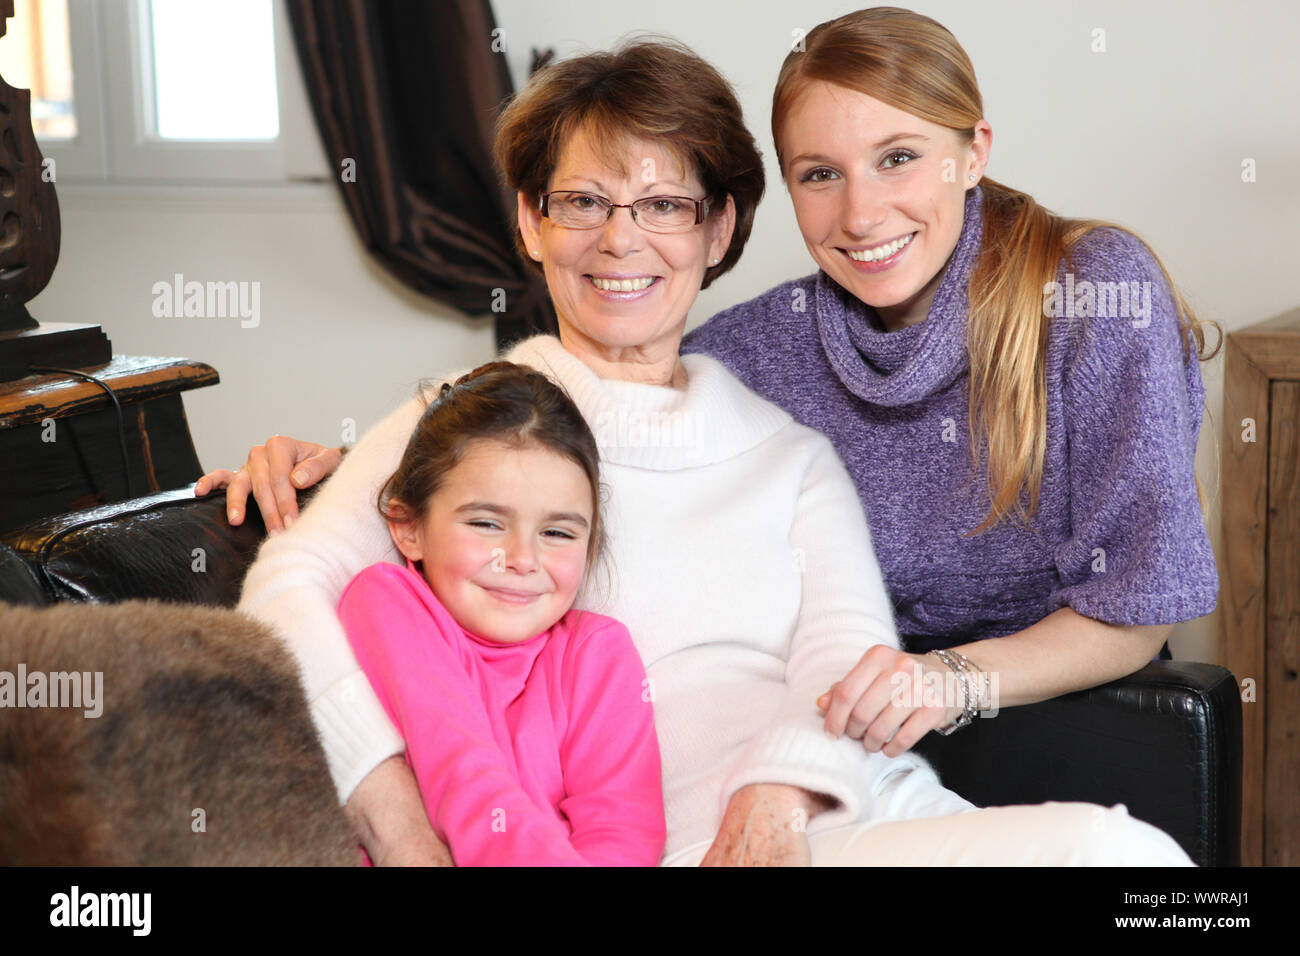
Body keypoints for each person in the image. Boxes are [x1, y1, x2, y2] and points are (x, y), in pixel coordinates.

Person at [198, 38, 1193, 866]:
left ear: (717, 229)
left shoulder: (784, 438)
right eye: (581, 202)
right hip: (654, 842)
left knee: (1131, 862)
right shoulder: (460, 421)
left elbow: (842, 652)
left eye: (664, 205)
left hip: (843, 813)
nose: (619, 240)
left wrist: (776, 793)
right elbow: (290, 592)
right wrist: (402, 824)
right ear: (529, 222)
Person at [679, 7, 1221, 756]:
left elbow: (1137, 605)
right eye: (820, 174)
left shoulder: (1095, 292)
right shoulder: (750, 353)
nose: (862, 214)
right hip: (845, 754)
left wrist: (948, 681)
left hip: (1071, 747)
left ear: (972, 154)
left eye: (897, 156)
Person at [337, 361, 665, 866]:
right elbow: (462, 770)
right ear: (409, 528)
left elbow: (623, 830)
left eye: (557, 533)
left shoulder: (598, 654)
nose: (522, 560)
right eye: (487, 523)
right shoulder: (385, 603)